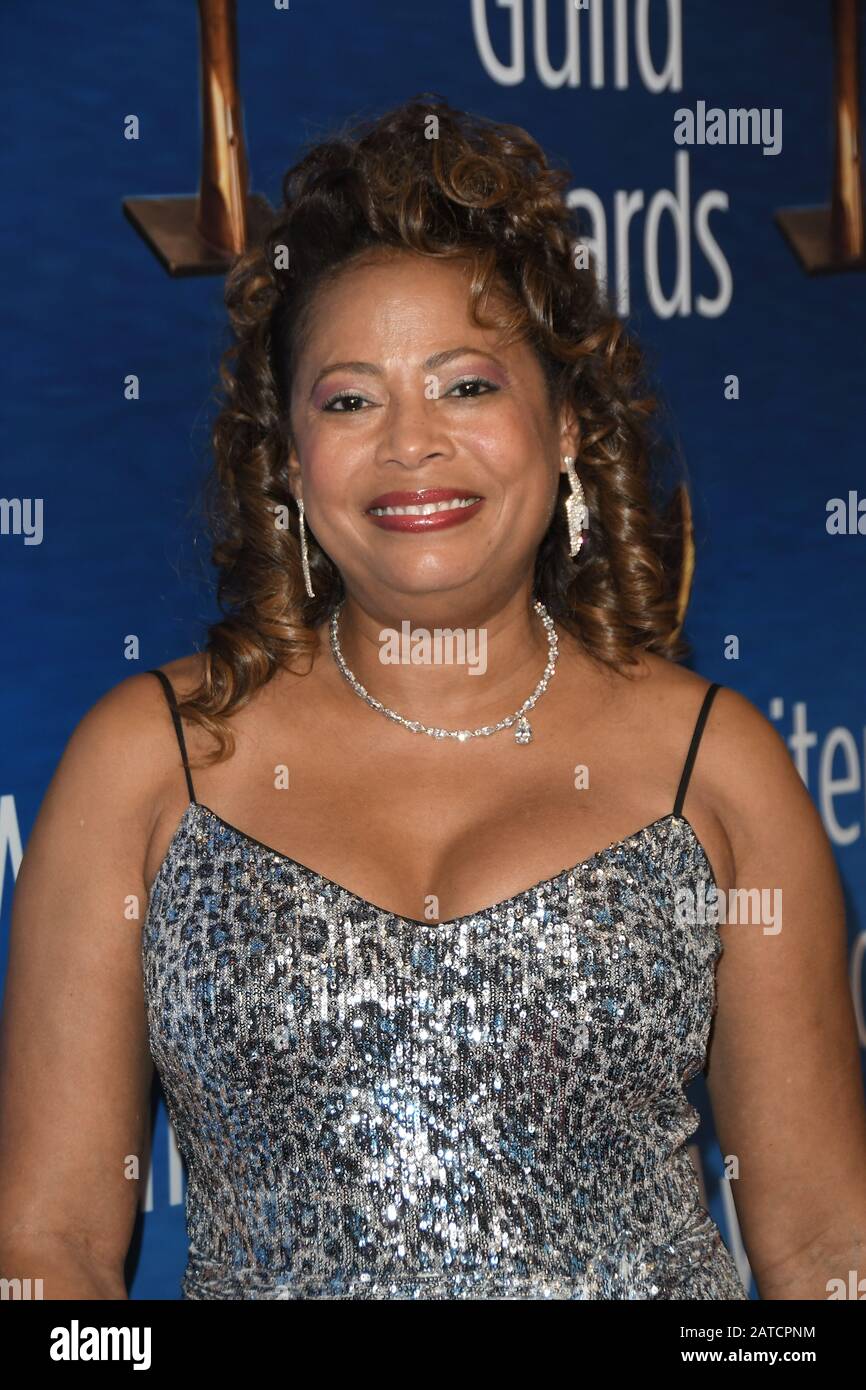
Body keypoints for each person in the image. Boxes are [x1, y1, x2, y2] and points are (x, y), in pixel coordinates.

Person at [1, 98, 864, 1302]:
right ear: (291, 462)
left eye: (465, 385)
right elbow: (48, 1255)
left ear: (564, 425)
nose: (410, 445)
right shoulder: (147, 765)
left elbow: (827, 1256)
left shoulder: (717, 771)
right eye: (349, 400)